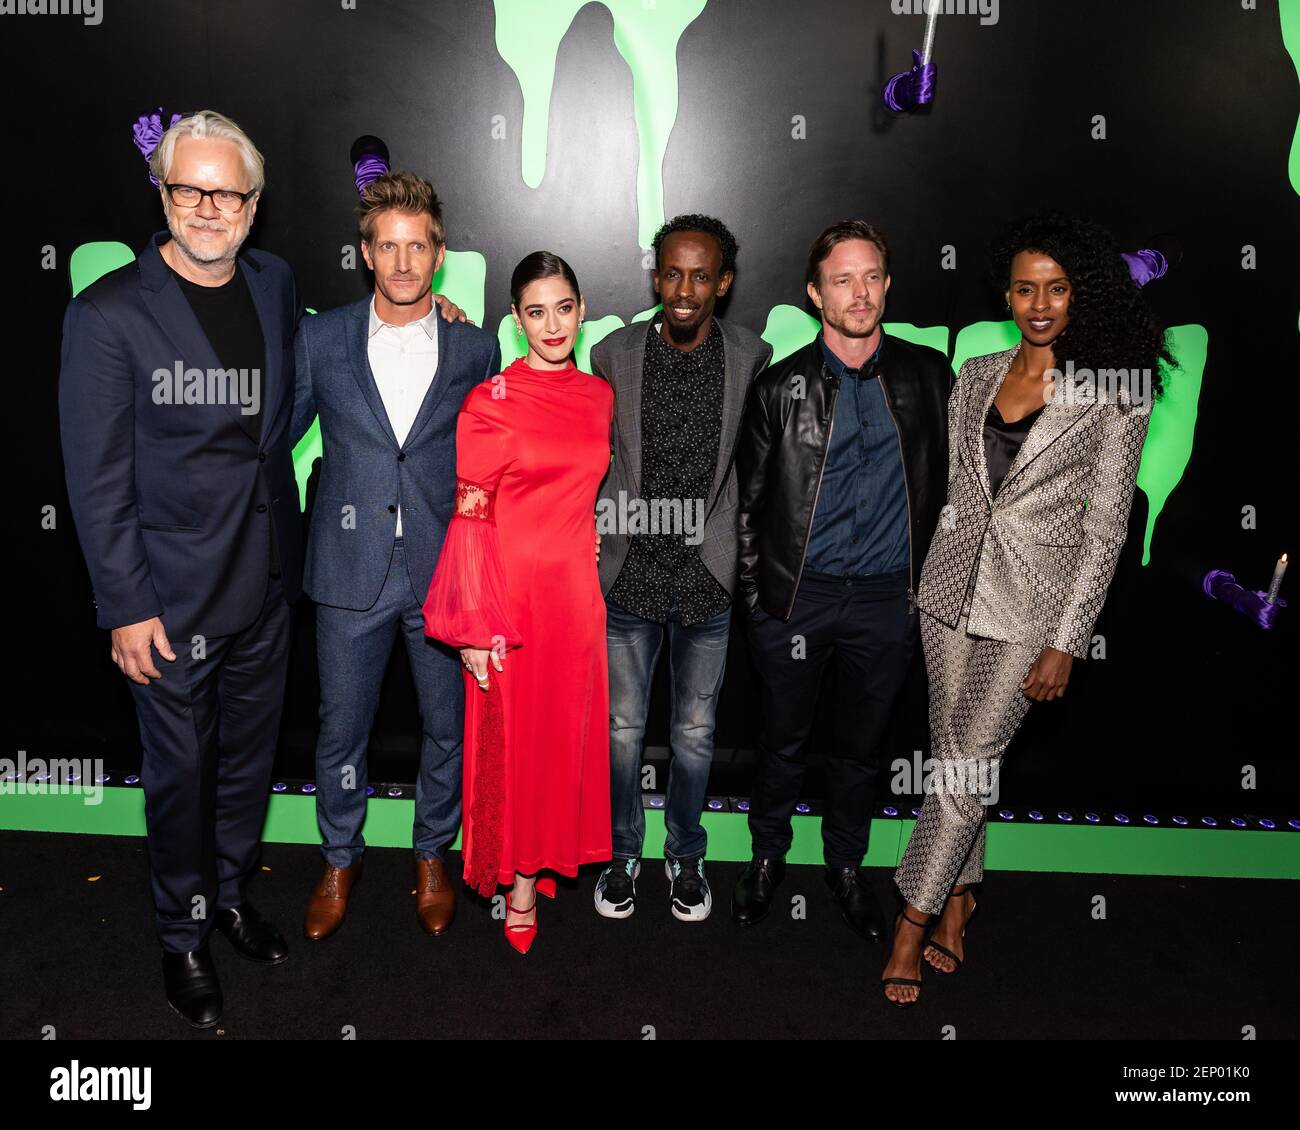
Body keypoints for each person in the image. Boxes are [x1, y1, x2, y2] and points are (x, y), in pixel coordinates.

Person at [881, 212, 1173, 1006]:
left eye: (1056, 289)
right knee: (954, 758)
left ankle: (911, 918)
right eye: (1024, 289)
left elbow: (1107, 528)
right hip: (948, 593)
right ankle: (961, 898)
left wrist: (1067, 639)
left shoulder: (1115, 392)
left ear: (1082, 295)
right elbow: (953, 487)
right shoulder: (976, 371)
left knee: (966, 763)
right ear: (1005, 295)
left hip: (1032, 608)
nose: (1039, 305)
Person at [58, 110, 302, 1028]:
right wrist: (125, 606)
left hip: (269, 581)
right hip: (167, 602)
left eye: (226, 192)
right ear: (161, 194)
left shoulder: (274, 282)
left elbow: (286, 410)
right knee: (180, 778)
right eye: (188, 188)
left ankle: (230, 895)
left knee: (246, 764)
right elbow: (97, 481)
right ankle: (183, 935)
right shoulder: (108, 313)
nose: (207, 207)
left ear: (253, 204)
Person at [290, 171, 494, 942]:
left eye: (417, 247)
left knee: (448, 728)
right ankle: (339, 860)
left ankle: (432, 853)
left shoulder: (475, 347)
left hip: (445, 575)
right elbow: (273, 438)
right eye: (388, 246)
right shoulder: (320, 339)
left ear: (439, 254)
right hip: (349, 571)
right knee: (341, 729)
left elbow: (495, 460)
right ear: (365, 253)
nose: (403, 262)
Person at [733, 220, 950, 942]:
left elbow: (954, 488)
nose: (859, 293)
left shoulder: (928, 376)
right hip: (798, 598)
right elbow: (748, 507)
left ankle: (847, 868)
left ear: (888, 285)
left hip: (888, 600)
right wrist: (759, 603)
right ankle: (767, 858)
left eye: (871, 277)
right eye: (842, 280)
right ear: (815, 293)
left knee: (860, 749)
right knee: (782, 743)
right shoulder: (779, 387)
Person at [423, 251, 614, 954]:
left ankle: (546, 858)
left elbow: (587, 490)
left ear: (582, 310)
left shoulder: (599, 397)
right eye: (536, 311)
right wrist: (474, 626)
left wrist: (592, 534)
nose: (553, 324)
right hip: (510, 602)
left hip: (576, 601)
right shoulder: (491, 399)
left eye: (563, 308)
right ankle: (520, 881)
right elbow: (470, 516)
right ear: (515, 320)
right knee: (515, 746)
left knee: (561, 741)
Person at [590, 214, 772, 923]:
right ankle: (622, 853)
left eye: (701, 275)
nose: (685, 288)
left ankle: (686, 855)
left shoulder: (752, 356)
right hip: (630, 574)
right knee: (623, 731)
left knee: (696, 736)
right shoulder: (612, 355)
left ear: (723, 283)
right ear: (656, 277)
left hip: (706, 577)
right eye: (672, 273)